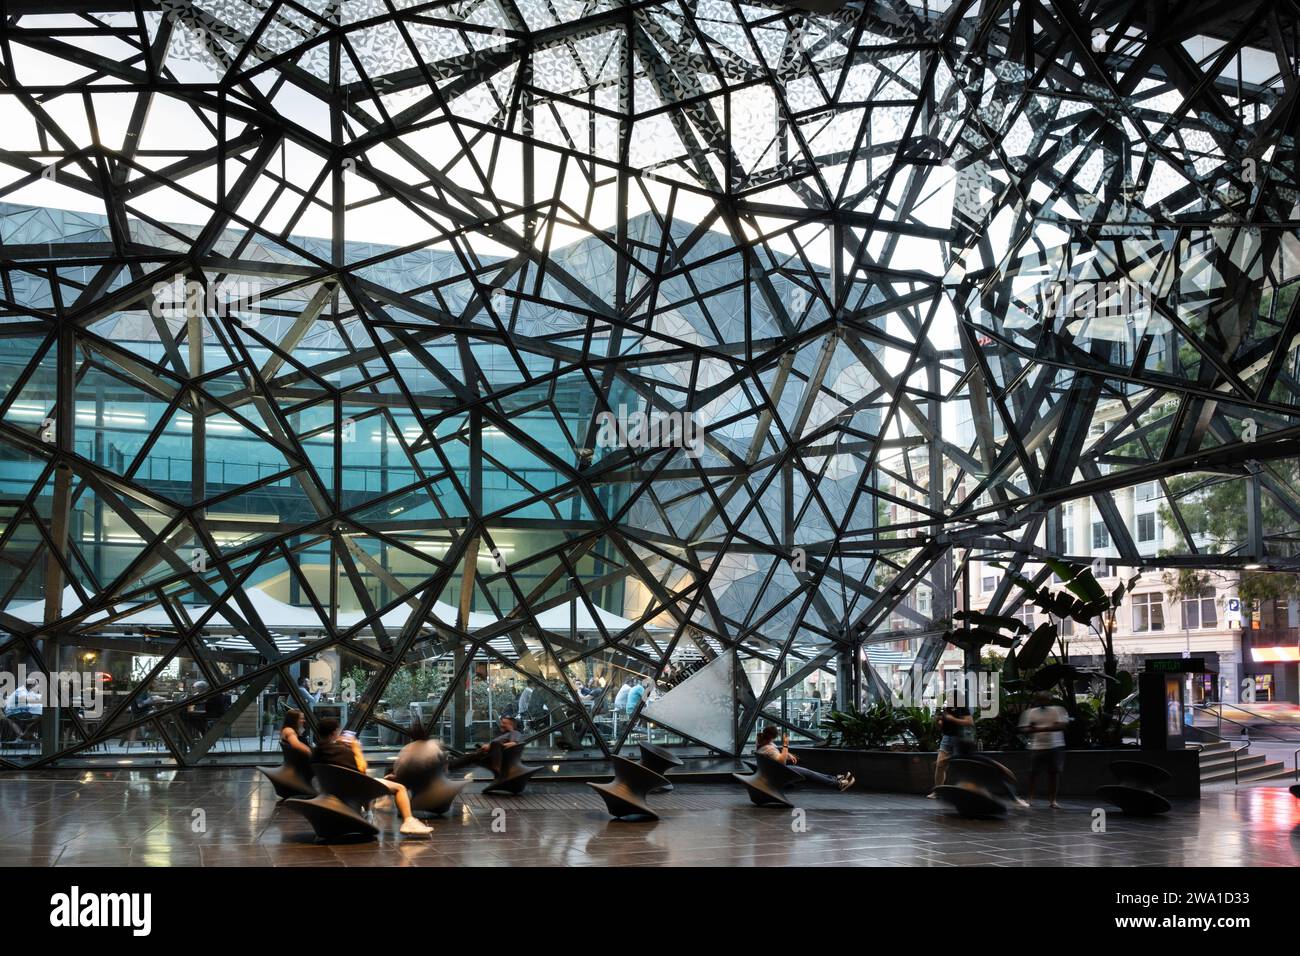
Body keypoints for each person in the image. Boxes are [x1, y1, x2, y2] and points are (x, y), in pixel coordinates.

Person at [312, 717, 432, 835]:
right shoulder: (343, 751)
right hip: (355, 790)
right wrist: (356, 749)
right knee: (400, 788)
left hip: (331, 790)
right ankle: (409, 821)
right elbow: (361, 769)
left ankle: (367, 813)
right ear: (334, 732)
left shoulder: (316, 753)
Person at [756, 726, 854, 791]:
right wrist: (785, 745)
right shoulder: (768, 748)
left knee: (808, 771)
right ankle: (837, 784)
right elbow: (782, 761)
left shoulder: (763, 743)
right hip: (779, 773)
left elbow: (775, 753)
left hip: (775, 771)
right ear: (774, 737)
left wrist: (787, 753)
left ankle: (835, 779)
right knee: (808, 773)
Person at [1019, 693, 1069, 808]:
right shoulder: (1031, 712)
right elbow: (1023, 728)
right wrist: (1048, 727)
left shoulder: (1058, 710)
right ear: (1036, 700)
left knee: (1053, 774)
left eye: (1045, 699)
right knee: (1033, 774)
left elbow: (1062, 726)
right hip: (1037, 747)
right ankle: (1030, 798)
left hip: (1055, 746)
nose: (1043, 702)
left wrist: (1037, 728)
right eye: (1040, 699)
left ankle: (1053, 800)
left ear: (1050, 700)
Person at [927, 705, 975, 797]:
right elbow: (941, 726)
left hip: (960, 739)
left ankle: (966, 791)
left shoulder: (962, 708)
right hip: (947, 738)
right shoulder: (947, 709)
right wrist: (939, 722)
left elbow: (970, 722)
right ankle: (938, 791)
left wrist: (952, 719)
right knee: (940, 765)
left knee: (960, 766)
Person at [447, 715, 523, 773]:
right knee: (470, 756)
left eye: (504, 723)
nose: (501, 724)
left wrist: (491, 746)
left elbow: (513, 744)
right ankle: (449, 766)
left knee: (494, 744)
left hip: (497, 757)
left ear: (511, 724)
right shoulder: (504, 734)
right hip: (490, 754)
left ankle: (497, 767)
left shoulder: (514, 733)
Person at [387, 720, 446, 794]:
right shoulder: (434, 744)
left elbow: (399, 768)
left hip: (415, 779)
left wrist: (394, 775)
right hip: (433, 777)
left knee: (388, 770)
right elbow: (442, 761)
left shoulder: (408, 748)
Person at [279, 709, 314, 783]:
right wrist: (312, 755)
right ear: (294, 720)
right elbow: (296, 744)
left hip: (301, 763)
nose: (303, 720)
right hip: (303, 766)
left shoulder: (291, 730)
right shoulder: (288, 730)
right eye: (301, 718)